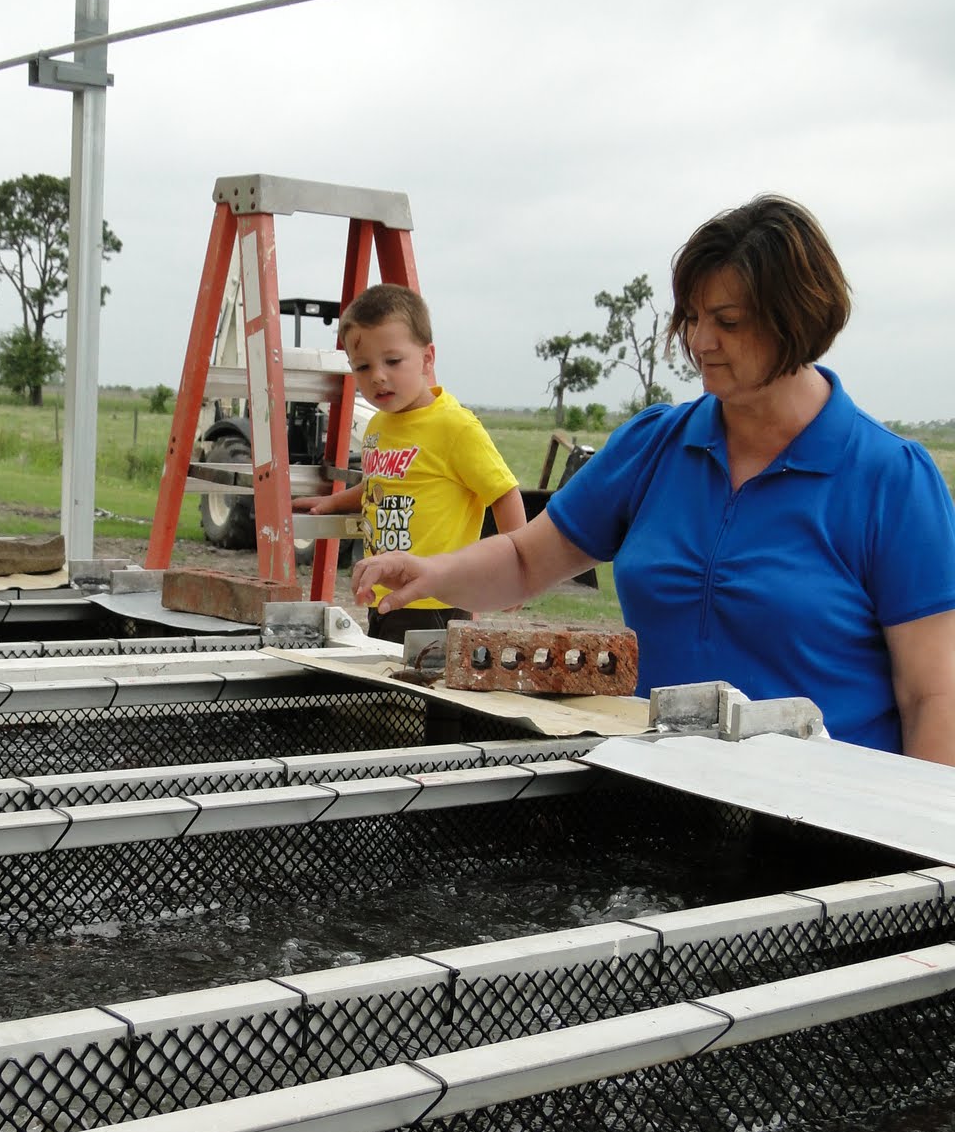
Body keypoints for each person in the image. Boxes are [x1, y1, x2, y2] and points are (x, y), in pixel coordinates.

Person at [352, 196, 955, 762]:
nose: (700, 341)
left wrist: (924, 848)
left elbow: (934, 696)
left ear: (797, 318)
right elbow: (525, 561)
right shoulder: (656, 446)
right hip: (668, 800)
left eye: (729, 321)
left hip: (827, 823)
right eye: (692, 317)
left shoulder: (890, 481)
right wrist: (436, 572)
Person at [295, 282, 525, 643]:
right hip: (384, 594)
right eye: (363, 366)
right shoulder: (378, 425)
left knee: (428, 694)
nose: (378, 376)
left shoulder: (454, 426)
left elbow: (504, 493)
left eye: (392, 361)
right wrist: (333, 502)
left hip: (439, 601)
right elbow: (379, 485)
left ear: (427, 358)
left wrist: (518, 573)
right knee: (391, 690)